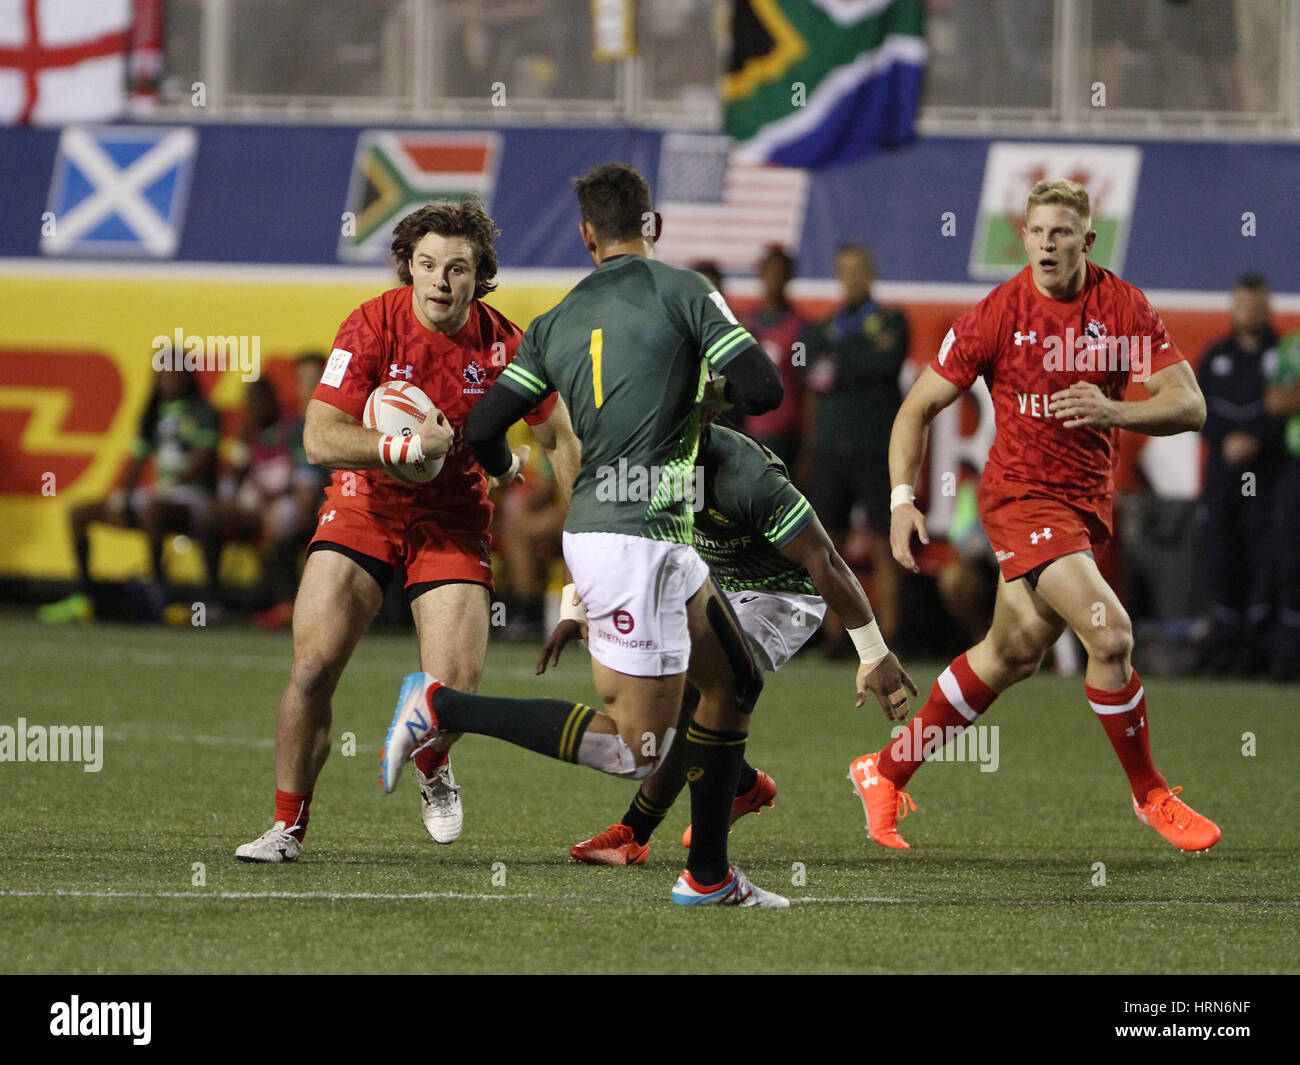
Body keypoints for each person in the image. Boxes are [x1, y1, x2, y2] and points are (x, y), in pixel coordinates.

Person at [380, 162, 792, 907]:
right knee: (640, 750)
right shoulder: (687, 291)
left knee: (735, 682)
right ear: (654, 226)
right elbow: (766, 389)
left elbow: (478, 428)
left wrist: (503, 465)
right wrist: (710, 390)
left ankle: (706, 876)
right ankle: (441, 706)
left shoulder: (556, 322)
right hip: (631, 538)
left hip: (641, 532)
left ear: (586, 235)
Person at [864, 178, 1220, 853]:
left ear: (1088, 240)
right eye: (1035, 232)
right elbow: (916, 409)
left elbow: (1190, 405)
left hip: (1082, 508)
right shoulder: (998, 312)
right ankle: (1152, 794)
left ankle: (884, 771)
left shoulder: (1121, 307)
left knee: (1011, 652)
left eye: (1061, 232)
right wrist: (901, 501)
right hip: (1019, 499)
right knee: (1109, 635)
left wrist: (1117, 410)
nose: (1046, 243)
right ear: (1022, 238)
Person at [235, 197, 578, 863]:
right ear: (407, 268)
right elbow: (318, 436)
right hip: (364, 506)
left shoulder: (509, 344)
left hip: (451, 520)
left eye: (457, 268)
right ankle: (286, 827)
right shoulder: (370, 325)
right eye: (427, 265)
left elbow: (559, 438)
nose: (441, 281)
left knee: (454, 692)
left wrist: (592, 542)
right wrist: (400, 450)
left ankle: (431, 764)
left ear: (481, 276)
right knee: (310, 667)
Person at [542, 419, 915, 865]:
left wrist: (873, 651)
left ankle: (634, 832)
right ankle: (741, 783)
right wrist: (573, 609)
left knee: (692, 690)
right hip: (708, 580)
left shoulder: (747, 476)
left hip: (780, 595)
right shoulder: (638, 453)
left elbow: (825, 559)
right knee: (653, 683)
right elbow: (592, 526)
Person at [39, 365, 219, 624]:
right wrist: (124, 496)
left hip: (193, 495)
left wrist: (171, 483)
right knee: (78, 512)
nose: (169, 380)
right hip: (160, 493)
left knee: (151, 511)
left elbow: (205, 457)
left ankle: (159, 592)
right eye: (164, 374)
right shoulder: (152, 412)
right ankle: (86, 595)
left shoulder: (203, 411)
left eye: (175, 373)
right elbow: (137, 459)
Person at [801, 242, 909, 652]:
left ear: (872, 271)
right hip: (830, 447)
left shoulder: (892, 321)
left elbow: (885, 364)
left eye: (859, 268)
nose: (853, 277)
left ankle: (891, 633)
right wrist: (856, 359)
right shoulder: (823, 328)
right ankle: (834, 637)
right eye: (844, 269)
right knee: (828, 542)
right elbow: (812, 372)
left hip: (876, 446)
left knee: (884, 540)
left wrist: (839, 362)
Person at [1195, 273, 1283, 675]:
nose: (1250, 311)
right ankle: (1224, 652)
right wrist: (1226, 438)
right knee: (1223, 561)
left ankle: (1263, 652)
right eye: (1244, 304)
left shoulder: (1285, 357)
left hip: (1270, 480)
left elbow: (1287, 409)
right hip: (1224, 480)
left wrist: (1258, 439)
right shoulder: (1215, 356)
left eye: (1257, 304)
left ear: (1268, 308)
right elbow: (1197, 407)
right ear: (1233, 307)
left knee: (1267, 559)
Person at [250, 352, 333, 629]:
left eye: (315, 379)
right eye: (302, 380)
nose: (308, 387)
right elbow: (298, 474)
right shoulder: (296, 426)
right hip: (313, 502)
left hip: (345, 499)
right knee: (283, 516)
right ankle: (286, 601)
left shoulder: (345, 417)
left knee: (290, 515)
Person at [742, 246, 806, 471]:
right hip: (746, 435)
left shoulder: (800, 330)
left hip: (786, 437)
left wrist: (807, 447)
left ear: (790, 276)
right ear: (760, 274)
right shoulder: (743, 325)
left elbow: (804, 383)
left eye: (781, 272)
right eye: (770, 271)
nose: (775, 278)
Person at [1264, 330, 1300, 682]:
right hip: (1295, 466)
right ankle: (1289, 655)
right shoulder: (1293, 345)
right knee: (1291, 562)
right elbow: (1276, 400)